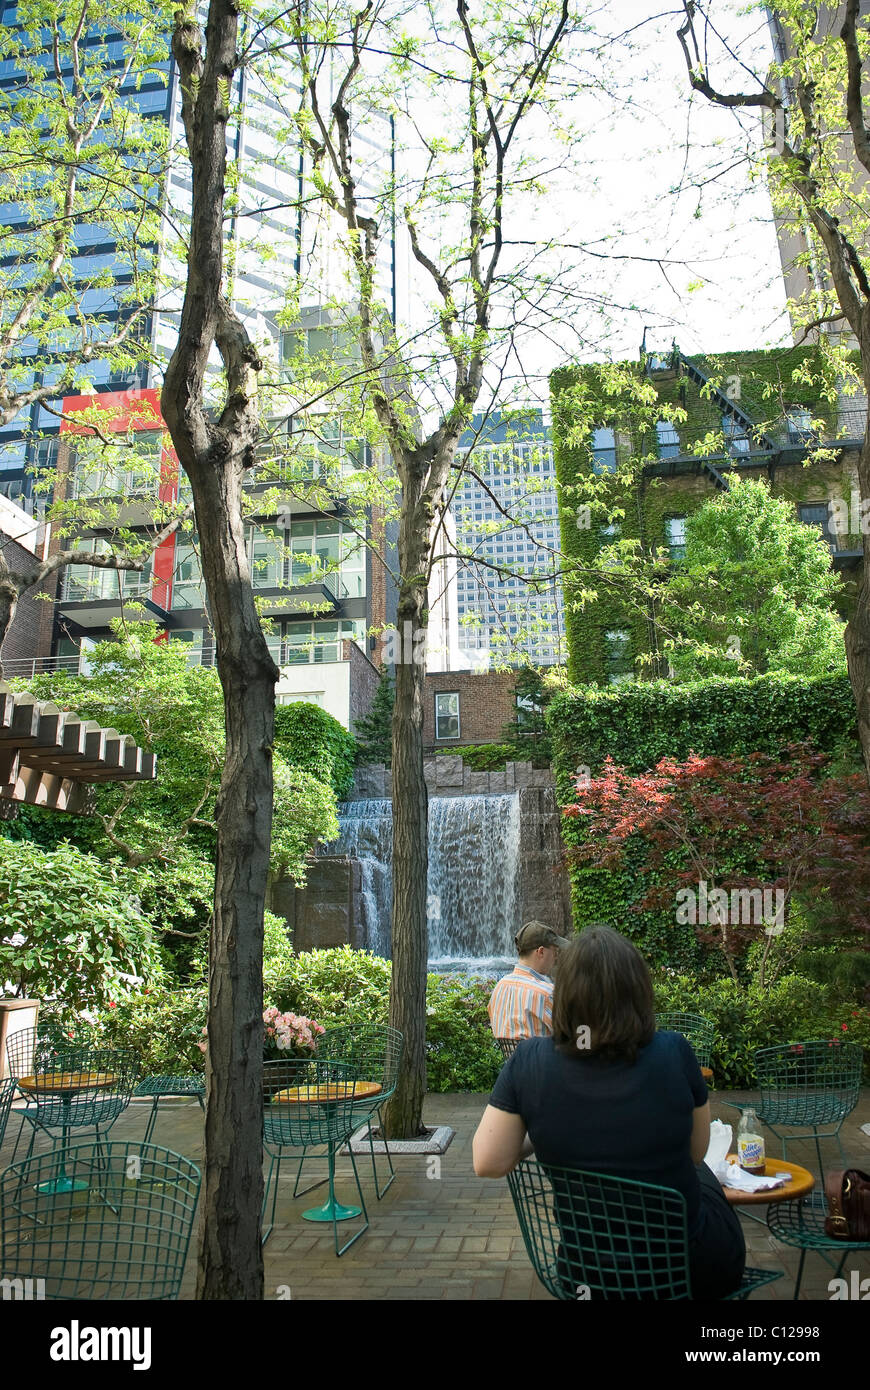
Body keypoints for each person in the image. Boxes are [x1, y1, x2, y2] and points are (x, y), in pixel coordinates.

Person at [473, 925, 745, 1299]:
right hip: (687, 1272)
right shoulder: (674, 1051)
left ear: (565, 994)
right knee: (707, 1176)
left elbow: (487, 1161)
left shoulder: (529, 1061)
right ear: (637, 991)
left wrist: (545, 1129)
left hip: (588, 1276)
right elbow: (696, 1153)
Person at [487, 922, 572, 1042]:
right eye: (554, 952)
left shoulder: (499, 988)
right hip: (542, 1060)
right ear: (541, 952)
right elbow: (577, 1039)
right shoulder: (547, 994)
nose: (555, 957)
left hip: (510, 1060)